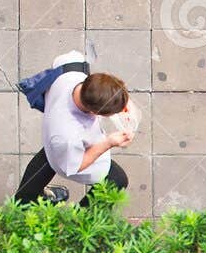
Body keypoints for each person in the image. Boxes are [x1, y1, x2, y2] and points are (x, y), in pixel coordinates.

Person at [14, 52, 135, 207]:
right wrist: (109, 142)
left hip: (53, 133)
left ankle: (23, 201)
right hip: (64, 151)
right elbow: (75, 165)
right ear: (94, 113)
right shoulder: (67, 136)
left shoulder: (73, 66)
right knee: (117, 180)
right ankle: (80, 223)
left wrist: (114, 96)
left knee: (48, 154)